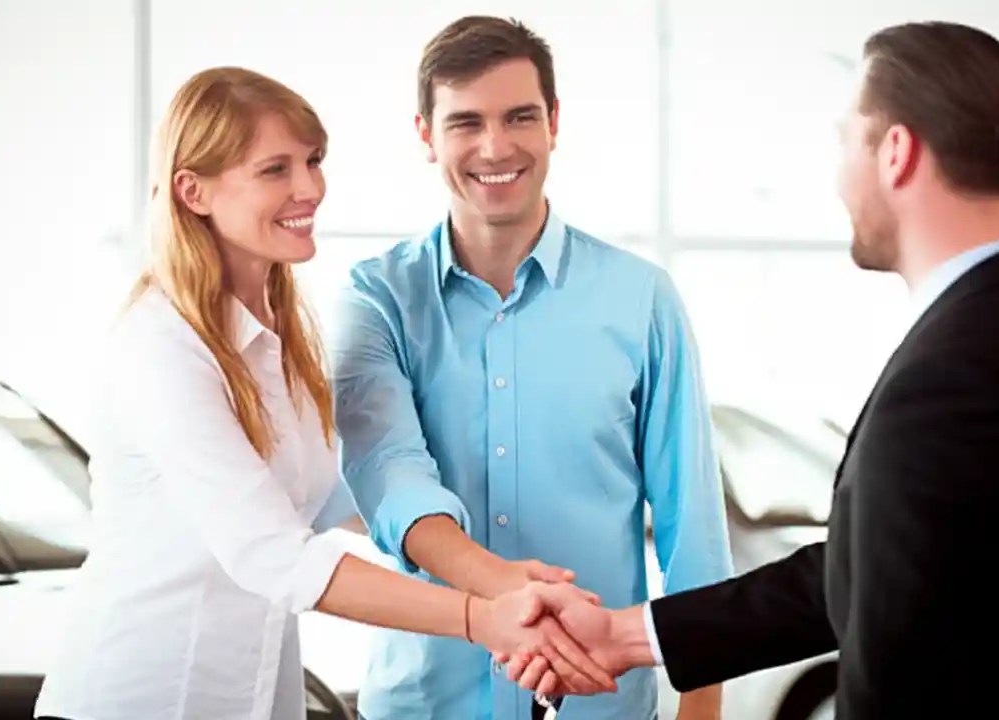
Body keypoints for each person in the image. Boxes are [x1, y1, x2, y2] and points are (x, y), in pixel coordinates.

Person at [501, 20, 999, 719]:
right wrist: (628, 636)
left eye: (847, 140)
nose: (839, 176)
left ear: (896, 152)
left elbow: (899, 670)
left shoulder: (962, 371)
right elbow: (861, 572)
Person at [31, 66, 617, 720]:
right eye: (274, 170)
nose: (309, 187)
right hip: (140, 698)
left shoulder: (276, 336)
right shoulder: (160, 348)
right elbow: (276, 555)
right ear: (193, 191)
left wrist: (501, 574)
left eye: (312, 161)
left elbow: (348, 497)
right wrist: (487, 619)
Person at [328, 15, 734, 720]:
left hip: (600, 707)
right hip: (424, 705)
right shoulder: (377, 299)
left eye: (519, 116)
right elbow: (390, 478)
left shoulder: (641, 300)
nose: (495, 146)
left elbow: (691, 528)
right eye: (465, 122)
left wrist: (701, 708)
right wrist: (502, 588)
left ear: (553, 122)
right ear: (425, 134)